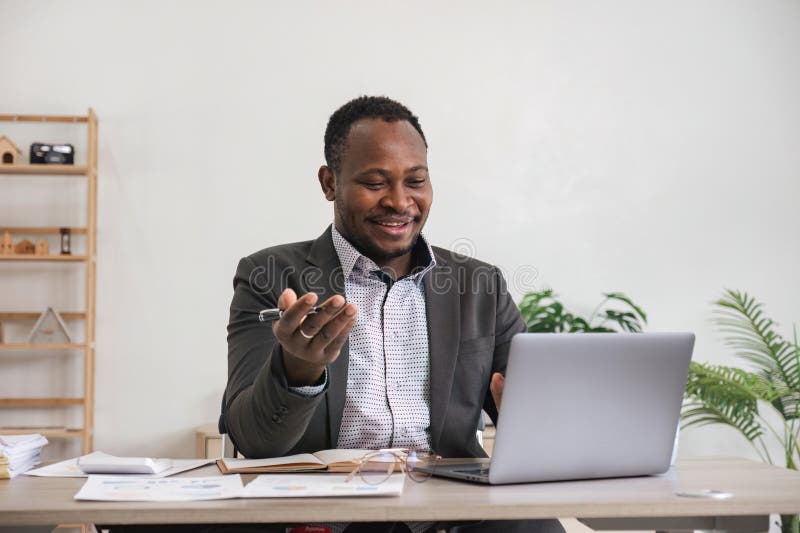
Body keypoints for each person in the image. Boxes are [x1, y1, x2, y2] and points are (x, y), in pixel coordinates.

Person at [223, 96, 564, 533]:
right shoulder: (272, 276)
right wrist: (299, 370)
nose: (400, 202)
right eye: (375, 182)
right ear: (330, 183)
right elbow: (254, 441)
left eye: (416, 181)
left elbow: (536, 422)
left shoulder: (479, 285)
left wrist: (533, 414)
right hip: (329, 513)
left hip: (451, 512)